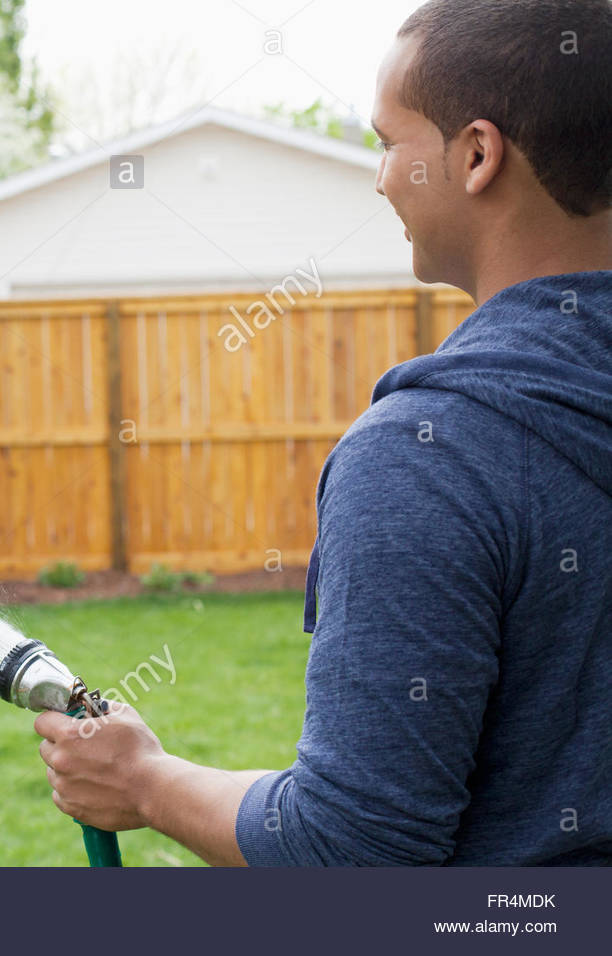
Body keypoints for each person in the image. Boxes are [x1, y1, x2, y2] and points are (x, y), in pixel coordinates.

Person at [36, 0, 612, 866]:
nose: (379, 178)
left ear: (478, 155)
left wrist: (146, 784)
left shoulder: (431, 455)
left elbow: (354, 853)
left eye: (389, 142)